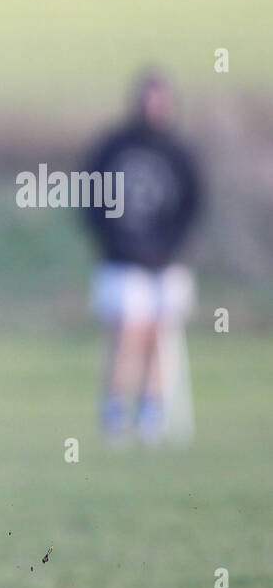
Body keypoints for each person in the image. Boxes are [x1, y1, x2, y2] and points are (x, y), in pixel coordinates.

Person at [84, 71, 202, 444]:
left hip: (166, 261)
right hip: (121, 260)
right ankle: (115, 409)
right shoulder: (114, 146)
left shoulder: (178, 152)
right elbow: (91, 198)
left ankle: (152, 411)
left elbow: (192, 205)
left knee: (159, 334)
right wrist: (115, 243)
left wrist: (170, 247)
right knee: (128, 331)